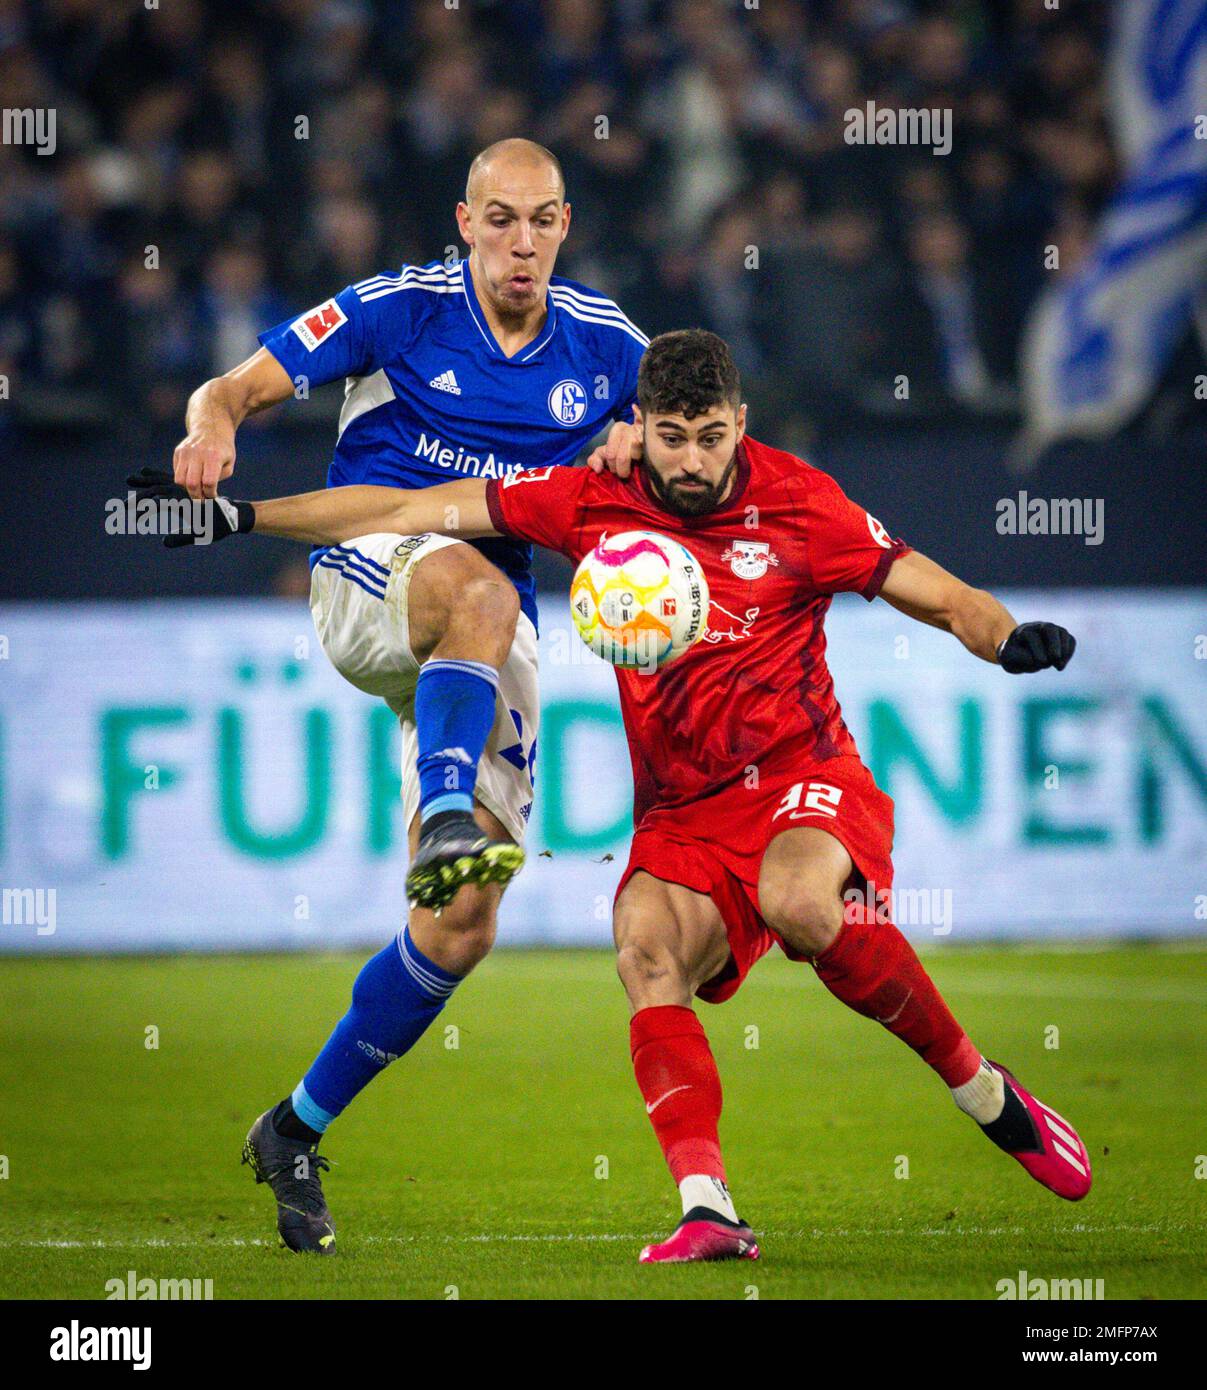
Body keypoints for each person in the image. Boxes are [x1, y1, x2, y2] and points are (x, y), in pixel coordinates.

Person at [130, 328, 1090, 1265]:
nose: (691, 460)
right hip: (681, 810)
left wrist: (1005, 637)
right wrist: (238, 517)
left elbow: (935, 593)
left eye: (711, 436)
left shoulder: (802, 503)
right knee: (642, 948)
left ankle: (981, 1092)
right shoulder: (591, 501)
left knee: (800, 903)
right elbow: (406, 508)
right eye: (670, 437)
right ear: (640, 425)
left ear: (739, 423)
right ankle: (706, 1208)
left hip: (804, 777)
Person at [165, 137, 647, 1253]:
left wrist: (642, 447)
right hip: (369, 574)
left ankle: (294, 1123)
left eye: (540, 221)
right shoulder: (396, 308)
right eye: (498, 219)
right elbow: (233, 385)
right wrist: (210, 428)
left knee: (462, 924)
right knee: (473, 580)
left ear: (564, 225)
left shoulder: (609, 345)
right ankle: (438, 814)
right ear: (464, 221)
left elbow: (709, 434)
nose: (519, 242)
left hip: (483, 639)